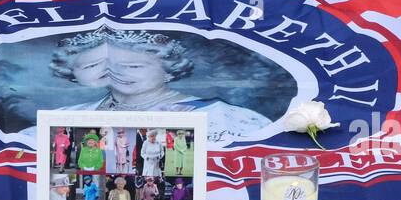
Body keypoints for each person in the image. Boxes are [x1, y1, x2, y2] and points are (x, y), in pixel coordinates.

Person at [50, 28, 269, 144]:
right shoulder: (63, 116)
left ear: (168, 68)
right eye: (94, 65)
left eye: (134, 66)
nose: (116, 73)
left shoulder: (227, 117)